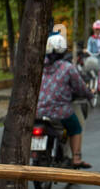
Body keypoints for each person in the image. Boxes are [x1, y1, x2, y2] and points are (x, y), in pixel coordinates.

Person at [36, 32, 93, 167]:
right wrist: (89, 94)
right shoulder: (67, 68)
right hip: (60, 112)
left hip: (39, 111)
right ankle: (76, 158)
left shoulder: (39, 67)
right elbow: (80, 87)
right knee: (76, 128)